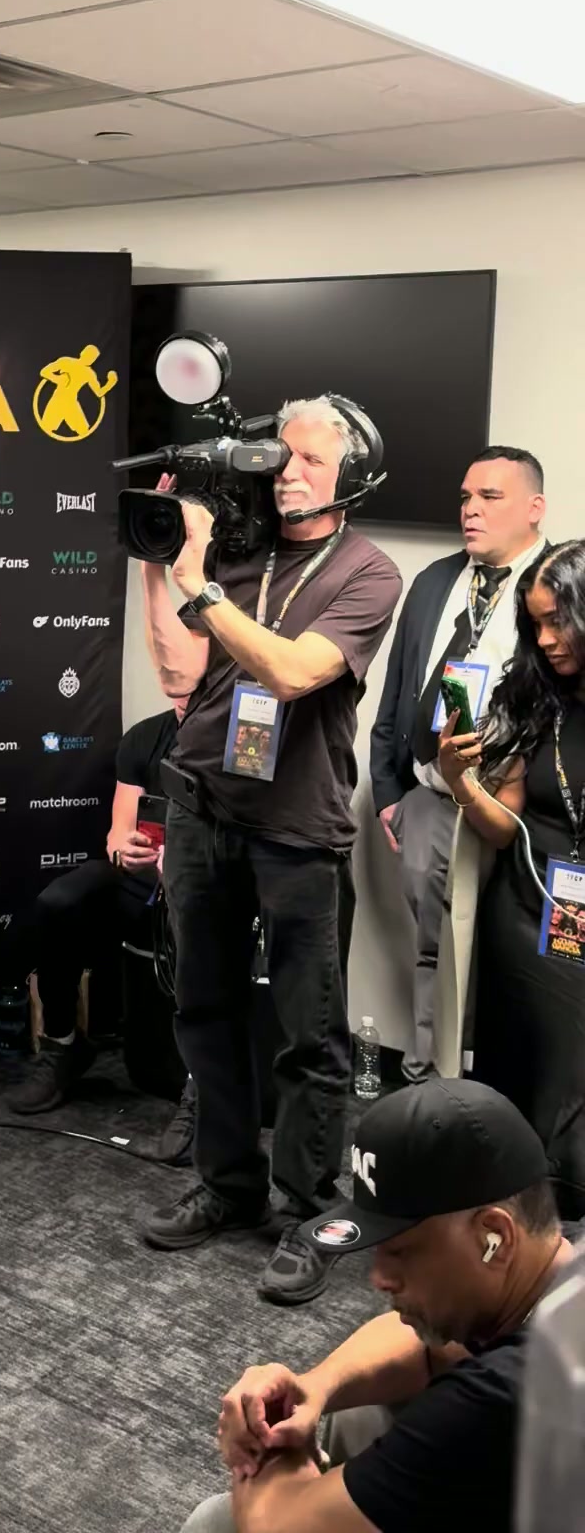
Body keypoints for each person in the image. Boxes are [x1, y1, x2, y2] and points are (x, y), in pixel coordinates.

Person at [141, 396, 402, 1306]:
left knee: (308, 1033)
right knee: (204, 1012)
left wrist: (206, 590)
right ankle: (227, 1183)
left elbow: (292, 673)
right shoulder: (237, 549)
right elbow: (182, 668)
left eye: (308, 461)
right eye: (277, 455)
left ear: (351, 476)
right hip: (202, 811)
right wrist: (186, 558)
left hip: (297, 832)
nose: (285, 470)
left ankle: (306, 1207)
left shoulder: (369, 572)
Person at [181, 1078, 577, 1533]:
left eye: (402, 1251)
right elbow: (425, 1343)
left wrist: (263, 1444)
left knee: (215, 1524)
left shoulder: (508, 1395)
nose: (378, 1277)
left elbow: (276, 1525)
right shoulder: (562, 1258)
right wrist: (316, 1389)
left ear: (495, 1238)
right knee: (365, 1406)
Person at [370, 447, 546, 1080]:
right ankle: (427, 1083)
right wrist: (391, 793)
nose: (470, 510)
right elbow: (394, 696)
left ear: (534, 508)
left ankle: (489, 1093)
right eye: (465, 498)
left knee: (502, 953)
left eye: (489, 498)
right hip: (426, 799)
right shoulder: (435, 581)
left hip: (514, 809)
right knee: (430, 950)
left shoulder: (554, 587)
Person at [438, 540, 585, 1217]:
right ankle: (517, 1229)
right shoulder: (540, 698)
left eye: (560, 621)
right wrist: (459, 783)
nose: (547, 640)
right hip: (527, 908)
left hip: (574, 925)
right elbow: (509, 823)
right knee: (521, 1077)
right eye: (536, 626)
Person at [8, 693, 191, 1138]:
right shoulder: (146, 737)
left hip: (204, 887)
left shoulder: (240, 737)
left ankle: (202, 1090)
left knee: (207, 917)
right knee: (60, 903)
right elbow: (118, 834)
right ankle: (63, 1044)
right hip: (144, 882)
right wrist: (124, 850)